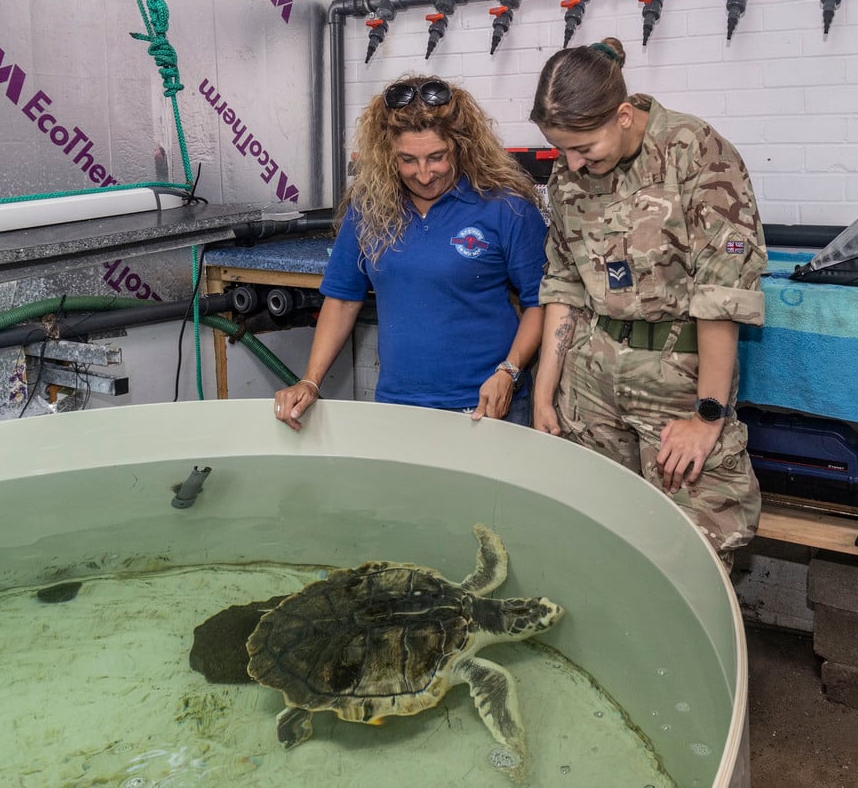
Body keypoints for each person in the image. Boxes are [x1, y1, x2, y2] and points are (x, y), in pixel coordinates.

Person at [528, 38, 766, 559]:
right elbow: (564, 281)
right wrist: (544, 394)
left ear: (622, 115)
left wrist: (707, 417)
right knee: (595, 536)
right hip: (590, 379)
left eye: (584, 148)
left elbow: (722, 294)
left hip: (676, 381)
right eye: (561, 150)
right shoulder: (569, 172)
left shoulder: (694, 150)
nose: (572, 163)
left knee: (691, 550)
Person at [274, 75, 547, 430]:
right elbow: (341, 300)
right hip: (398, 408)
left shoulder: (506, 208)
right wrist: (310, 380)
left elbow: (540, 303)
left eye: (436, 157)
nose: (423, 174)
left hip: (485, 407)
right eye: (408, 160)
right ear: (388, 154)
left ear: (461, 146)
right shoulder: (370, 209)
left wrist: (509, 371)